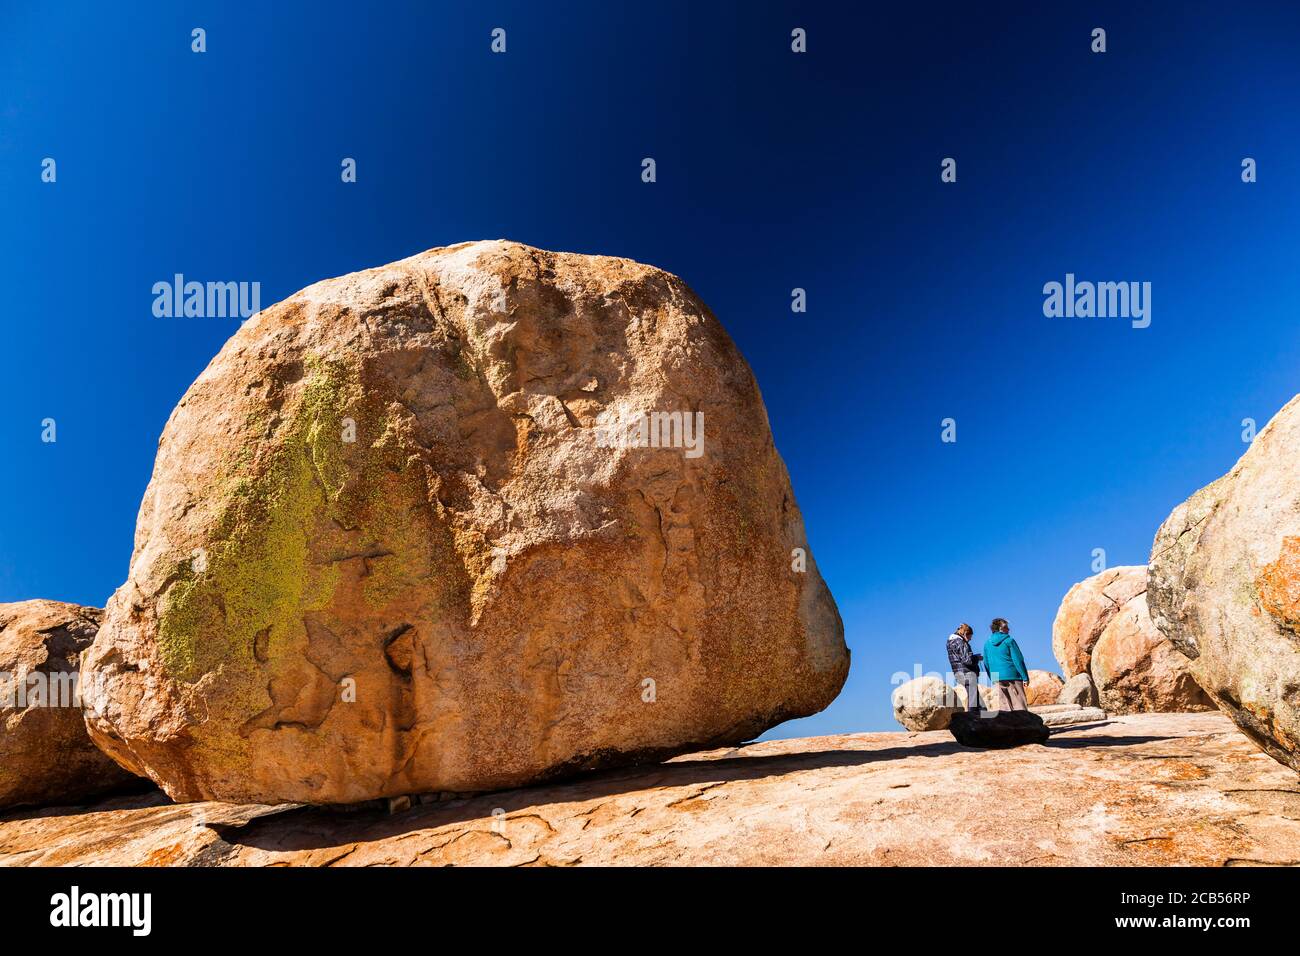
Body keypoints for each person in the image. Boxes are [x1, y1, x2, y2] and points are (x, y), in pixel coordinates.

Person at [982, 618, 1029, 711]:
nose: (1009, 629)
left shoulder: (987, 644)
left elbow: (986, 663)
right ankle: (1024, 724)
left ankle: (1009, 725)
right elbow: (1018, 660)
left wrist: (992, 677)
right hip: (1012, 675)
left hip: (996, 676)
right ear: (1001, 629)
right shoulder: (1009, 641)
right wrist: (1025, 677)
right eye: (1006, 627)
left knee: (1005, 707)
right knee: (1020, 704)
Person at [945, 623, 982, 712]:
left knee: (973, 699)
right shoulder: (960, 642)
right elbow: (967, 660)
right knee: (973, 701)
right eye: (970, 636)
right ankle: (973, 720)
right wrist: (977, 658)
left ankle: (975, 718)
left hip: (958, 672)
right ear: (965, 633)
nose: (970, 639)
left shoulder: (950, 642)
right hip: (967, 673)